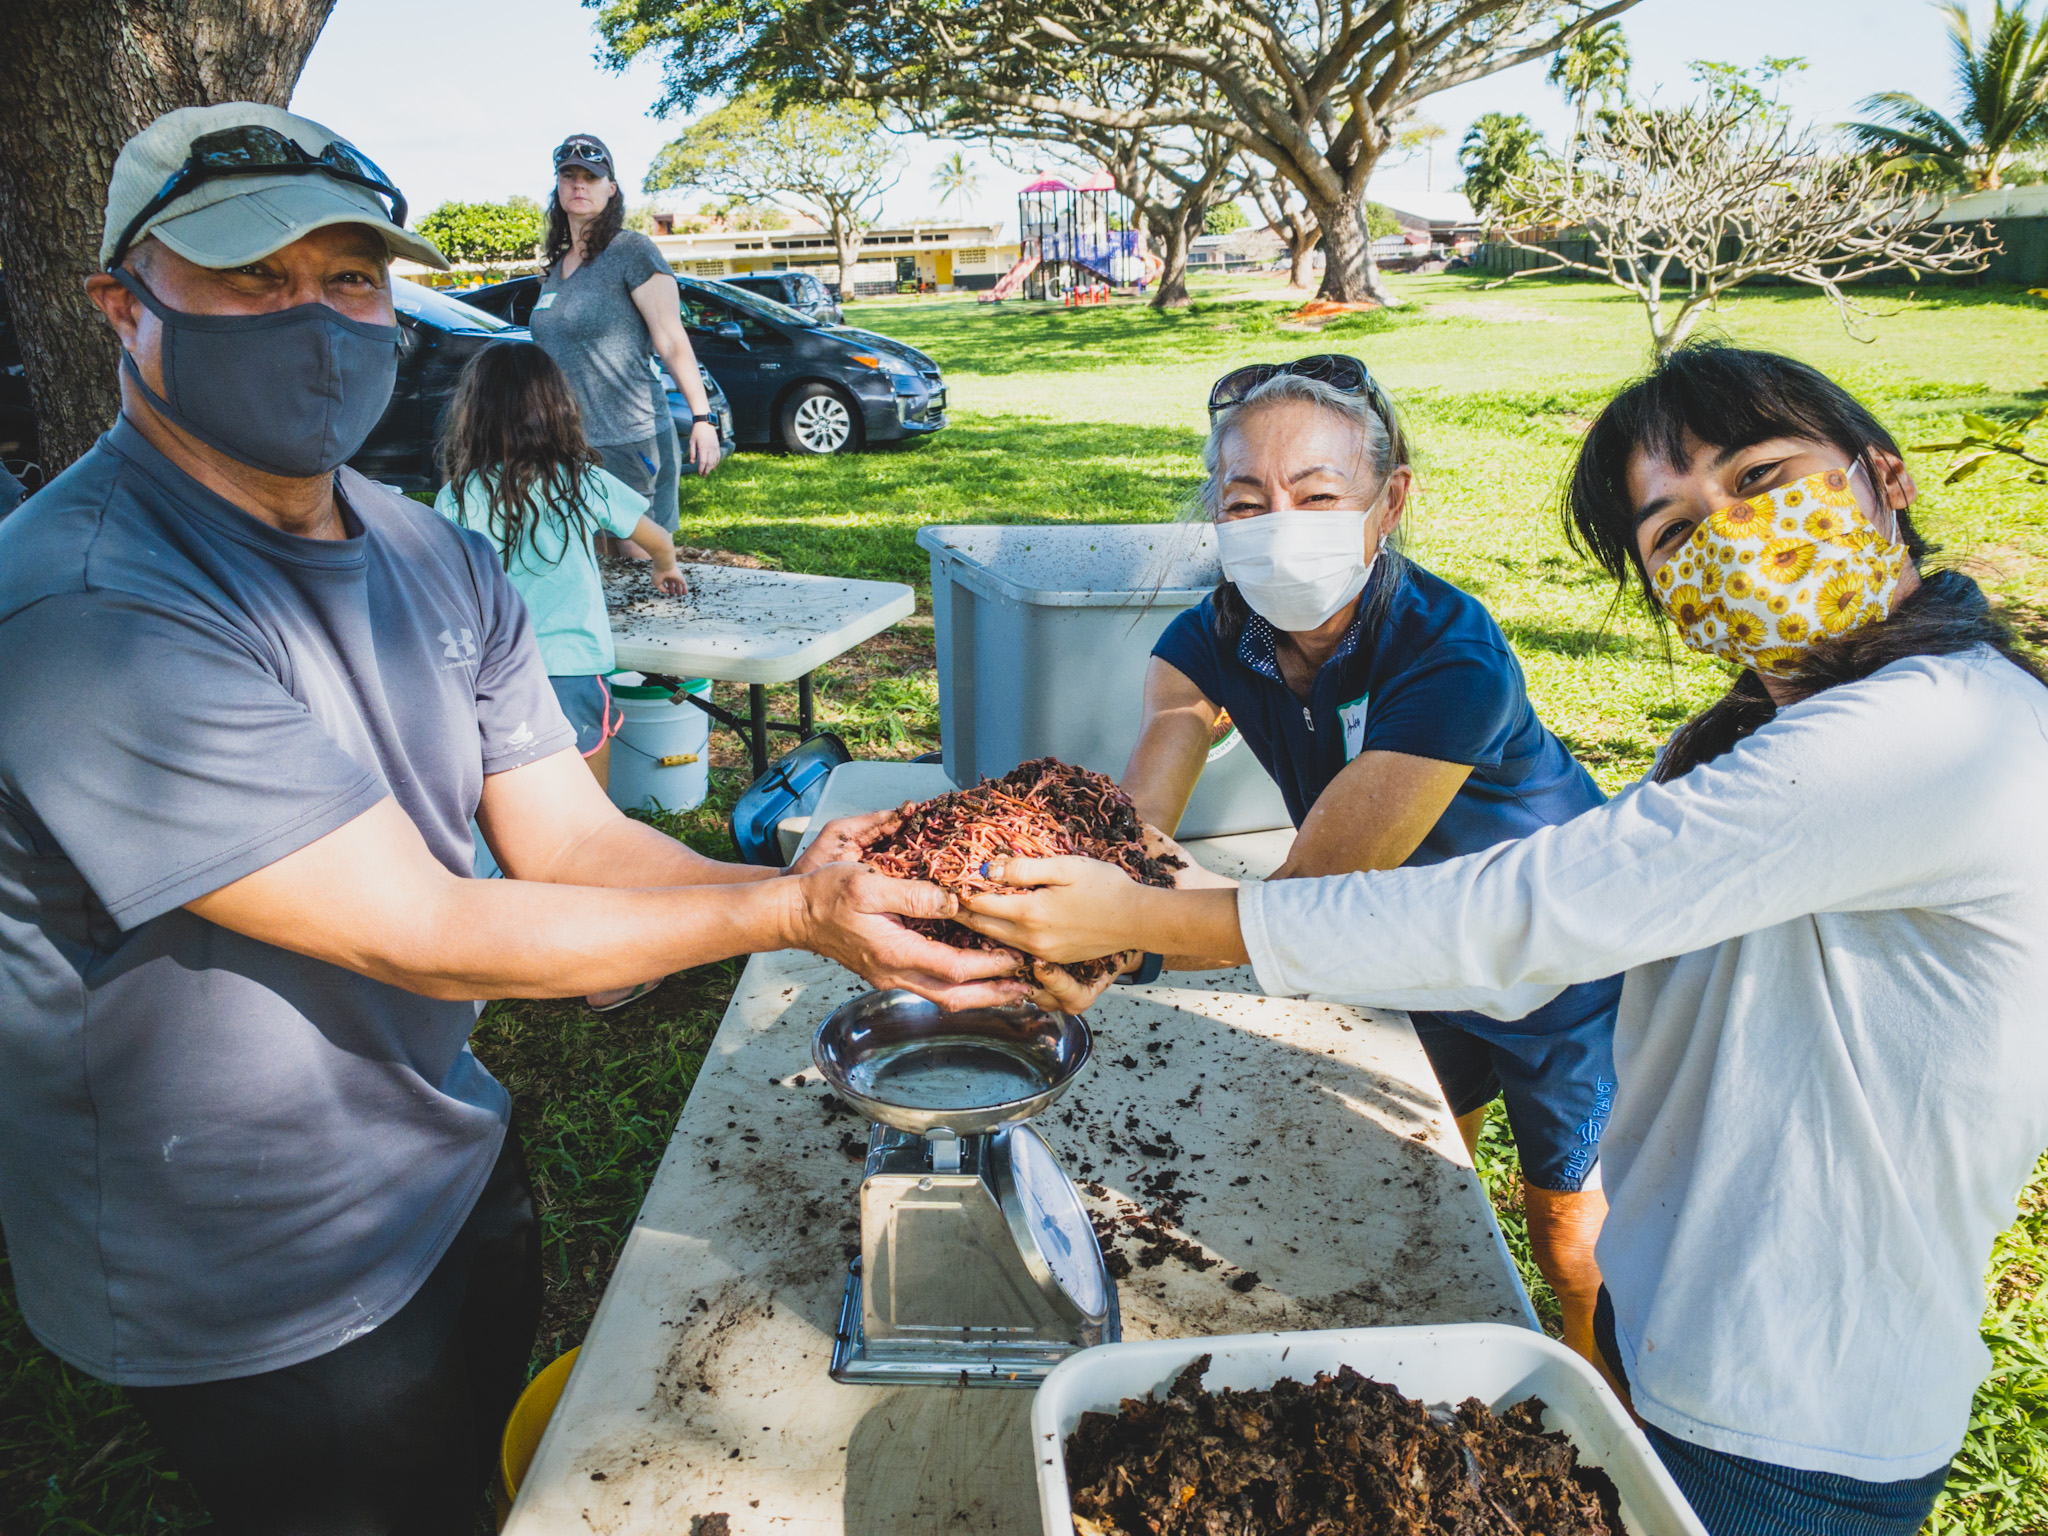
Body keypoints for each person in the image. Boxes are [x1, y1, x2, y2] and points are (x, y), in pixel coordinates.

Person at [0, 102, 1020, 1535]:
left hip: (451, 1152)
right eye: (252, 279)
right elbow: (420, 926)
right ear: (124, 305)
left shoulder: (429, 547)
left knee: (481, 1487)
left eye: (350, 279)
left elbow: (575, 845)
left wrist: (849, 885)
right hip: (247, 1262)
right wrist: (790, 915)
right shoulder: (87, 606)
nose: (315, 319)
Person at [960, 343, 2048, 1536]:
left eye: (1757, 476)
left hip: (1791, 1405)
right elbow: (1176, 752)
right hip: (1684, 1310)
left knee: (1552, 1215)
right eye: (1673, 530)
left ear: (1881, 478)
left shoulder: (1932, 733)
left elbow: (1520, 908)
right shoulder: (1768, 727)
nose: (1731, 534)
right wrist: (1113, 879)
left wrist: (1132, 924)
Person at [1075, 356, 1623, 1368]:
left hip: (1546, 966)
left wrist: (1106, 944)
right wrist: (1096, 885)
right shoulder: (1211, 635)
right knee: (1428, 1175)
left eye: (1316, 494)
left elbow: (1309, 902)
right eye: (1245, 501)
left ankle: (1604, 1391)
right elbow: (1135, 821)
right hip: (1409, 959)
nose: (1278, 523)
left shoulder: (1447, 653)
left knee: (1564, 1227)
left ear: (1387, 500)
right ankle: (1448, 1355)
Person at [528, 132, 718, 557]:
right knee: (589, 566)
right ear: (558, 187)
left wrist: (703, 419)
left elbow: (671, 340)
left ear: (610, 189)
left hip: (630, 438)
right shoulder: (557, 269)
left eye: (591, 177)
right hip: (566, 444)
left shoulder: (632, 251)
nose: (579, 185)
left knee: (641, 562)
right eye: (569, 176)